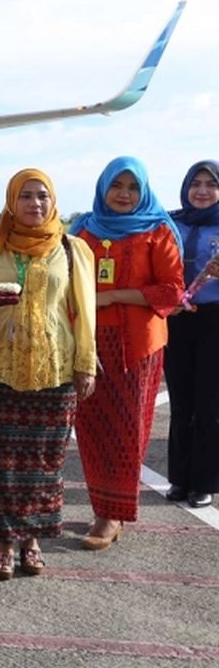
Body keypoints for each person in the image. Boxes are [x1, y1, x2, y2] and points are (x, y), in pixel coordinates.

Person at [0, 169, 97, 578]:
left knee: (44, 462)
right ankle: (5, 540)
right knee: (0, 461)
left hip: (54, 369)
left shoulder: (73, 249)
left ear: (53, 201)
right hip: (2, 368)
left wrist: (86, 364)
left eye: (42, 196)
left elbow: (85, 312)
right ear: (11, 201)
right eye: (25, 196)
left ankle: (33, 540)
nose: (34, 204)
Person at [69, 156, 183, 549]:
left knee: (126, 429)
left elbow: (171, 291)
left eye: (133, 187)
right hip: (88, 342)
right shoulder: (81, 229)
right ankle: (104, 504)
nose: (124, 194)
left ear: (144, 191)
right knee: (90, 428)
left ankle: (111, 514)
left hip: (136, 347)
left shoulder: (157, 230)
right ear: (103, 187)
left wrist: (113, 295)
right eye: (117, 186)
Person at [165, 160, 219, 508]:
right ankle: (180, 479)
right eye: (195, 183)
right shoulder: (171, 223)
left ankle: (205, 482)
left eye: (210, 184)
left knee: (210, 405)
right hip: (176, 319)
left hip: (215, 320)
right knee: (181, 404)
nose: (201, 190)